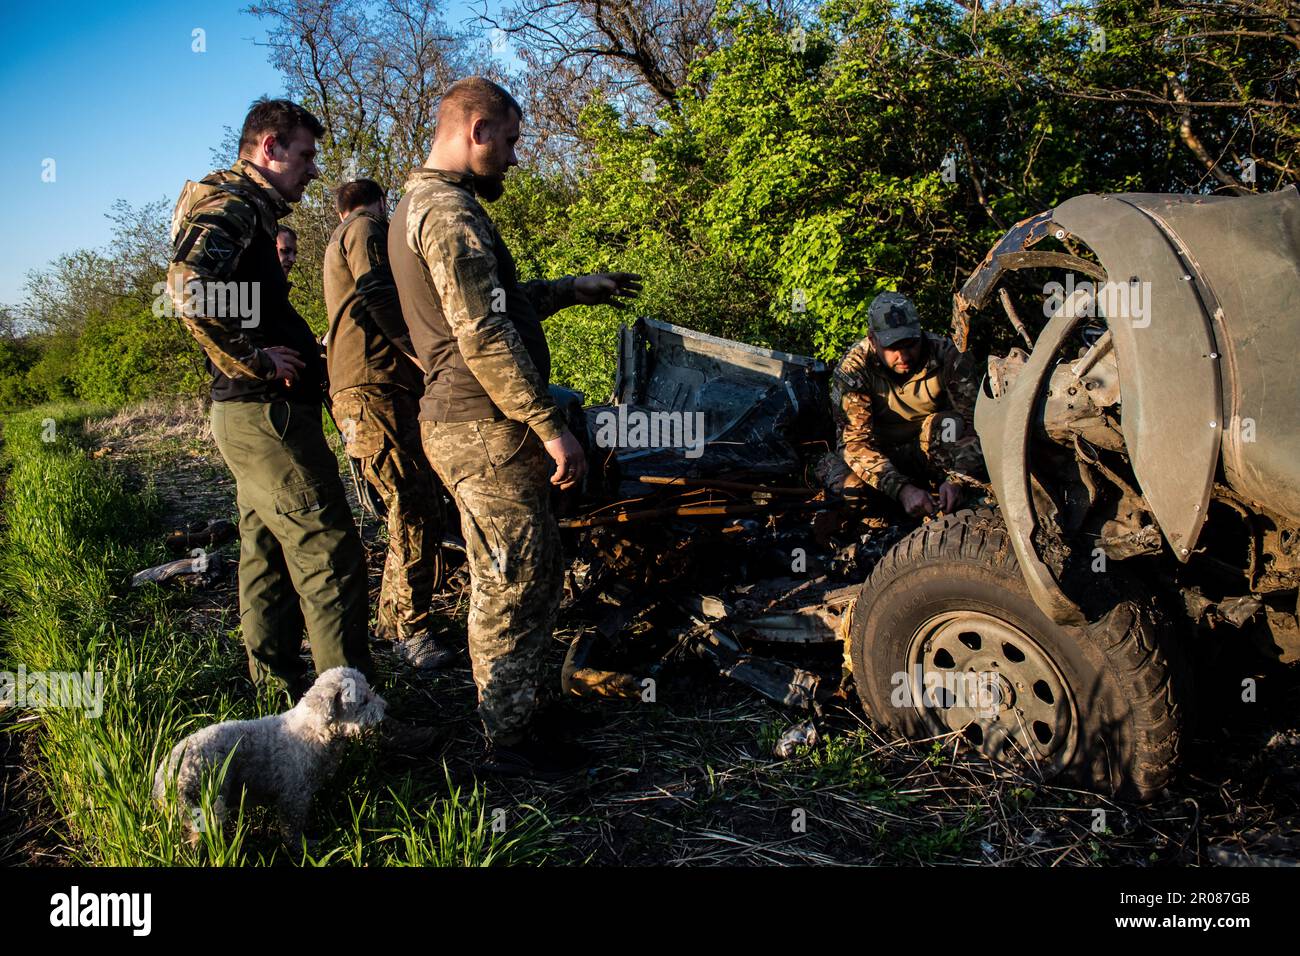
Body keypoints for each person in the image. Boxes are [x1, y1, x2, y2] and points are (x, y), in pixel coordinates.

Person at [388, 76, 641, 778]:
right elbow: (482, 330)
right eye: (510, 141)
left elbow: (498, 303)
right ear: (476, 130)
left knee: (529, 574)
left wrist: (570, 288)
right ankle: (510, 746)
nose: (515, 157)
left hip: (475, 421)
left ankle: (524, 713)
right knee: (508, 581)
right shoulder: (448, 213)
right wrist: (546, 423)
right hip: (483, 425)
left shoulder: (426, 206)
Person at [167, 97, 373, 698]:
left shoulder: (238, 204)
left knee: (267, 556)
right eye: (305, 156)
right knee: (329, 552)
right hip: (266, 415)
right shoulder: (231, 204)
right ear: (269, 148)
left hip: (250, 413)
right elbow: (187, 290)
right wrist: (256, 358)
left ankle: (277, 703)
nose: (313, 170)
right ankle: (352, 722)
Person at [324, 177, 455, 669]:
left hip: (364, 392)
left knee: (404, 505)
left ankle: (390, 621)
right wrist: (425, 356)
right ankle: (412, 634)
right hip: (377, 388)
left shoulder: (342, 235)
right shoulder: (364, 229)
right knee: (415, 505)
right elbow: (379, 294)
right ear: (379, 204)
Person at [825, 292, 985, 517]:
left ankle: (950, 498)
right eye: (892, 347)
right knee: (851, 491)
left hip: (928, 448)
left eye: (910, 343)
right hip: (879, 453)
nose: (903, 355)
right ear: (873, 340)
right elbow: (855, 444)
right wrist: (902, 490)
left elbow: (976, 423)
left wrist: (958, 479)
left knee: (951, 423)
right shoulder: (854, 371)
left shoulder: (948, 355)